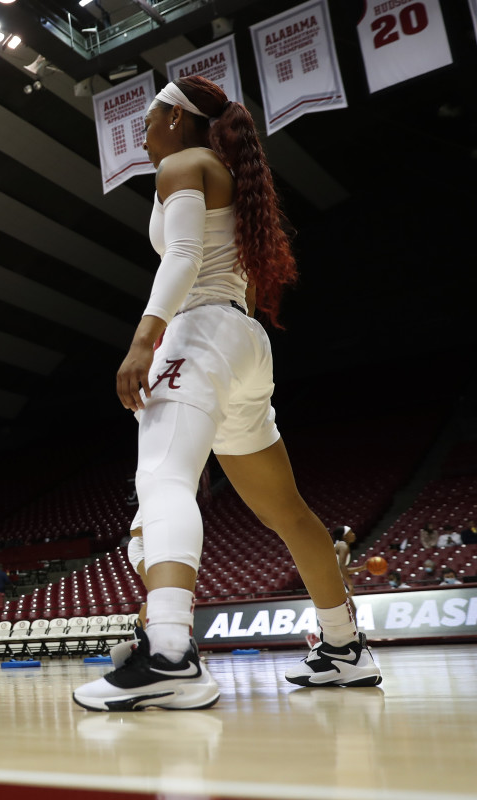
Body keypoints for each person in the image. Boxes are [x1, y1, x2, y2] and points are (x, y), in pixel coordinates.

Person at [73, 77, 381, 712]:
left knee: (162, 484)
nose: (144, 128)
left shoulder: (185, 162)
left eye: (151, 115)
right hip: (243, 342)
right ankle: (345, 647)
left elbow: (182, 256)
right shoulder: (224, 172)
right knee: (287, 513)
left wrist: (142, 341)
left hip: (199, 331)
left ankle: (169, 656)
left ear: (175, 119)